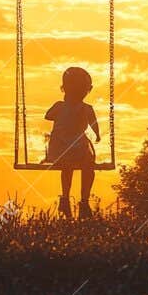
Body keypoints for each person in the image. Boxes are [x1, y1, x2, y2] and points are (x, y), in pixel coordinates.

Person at [45, 66, 101, 219]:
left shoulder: (63, 107)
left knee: (74, 167)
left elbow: (48, 116)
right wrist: (97, 134)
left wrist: (97, 133)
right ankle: (80, 201)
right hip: (67, 146)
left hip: (66, 146)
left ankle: (70, 199)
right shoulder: (83, 108)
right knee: (84, 166)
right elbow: (94, 124)